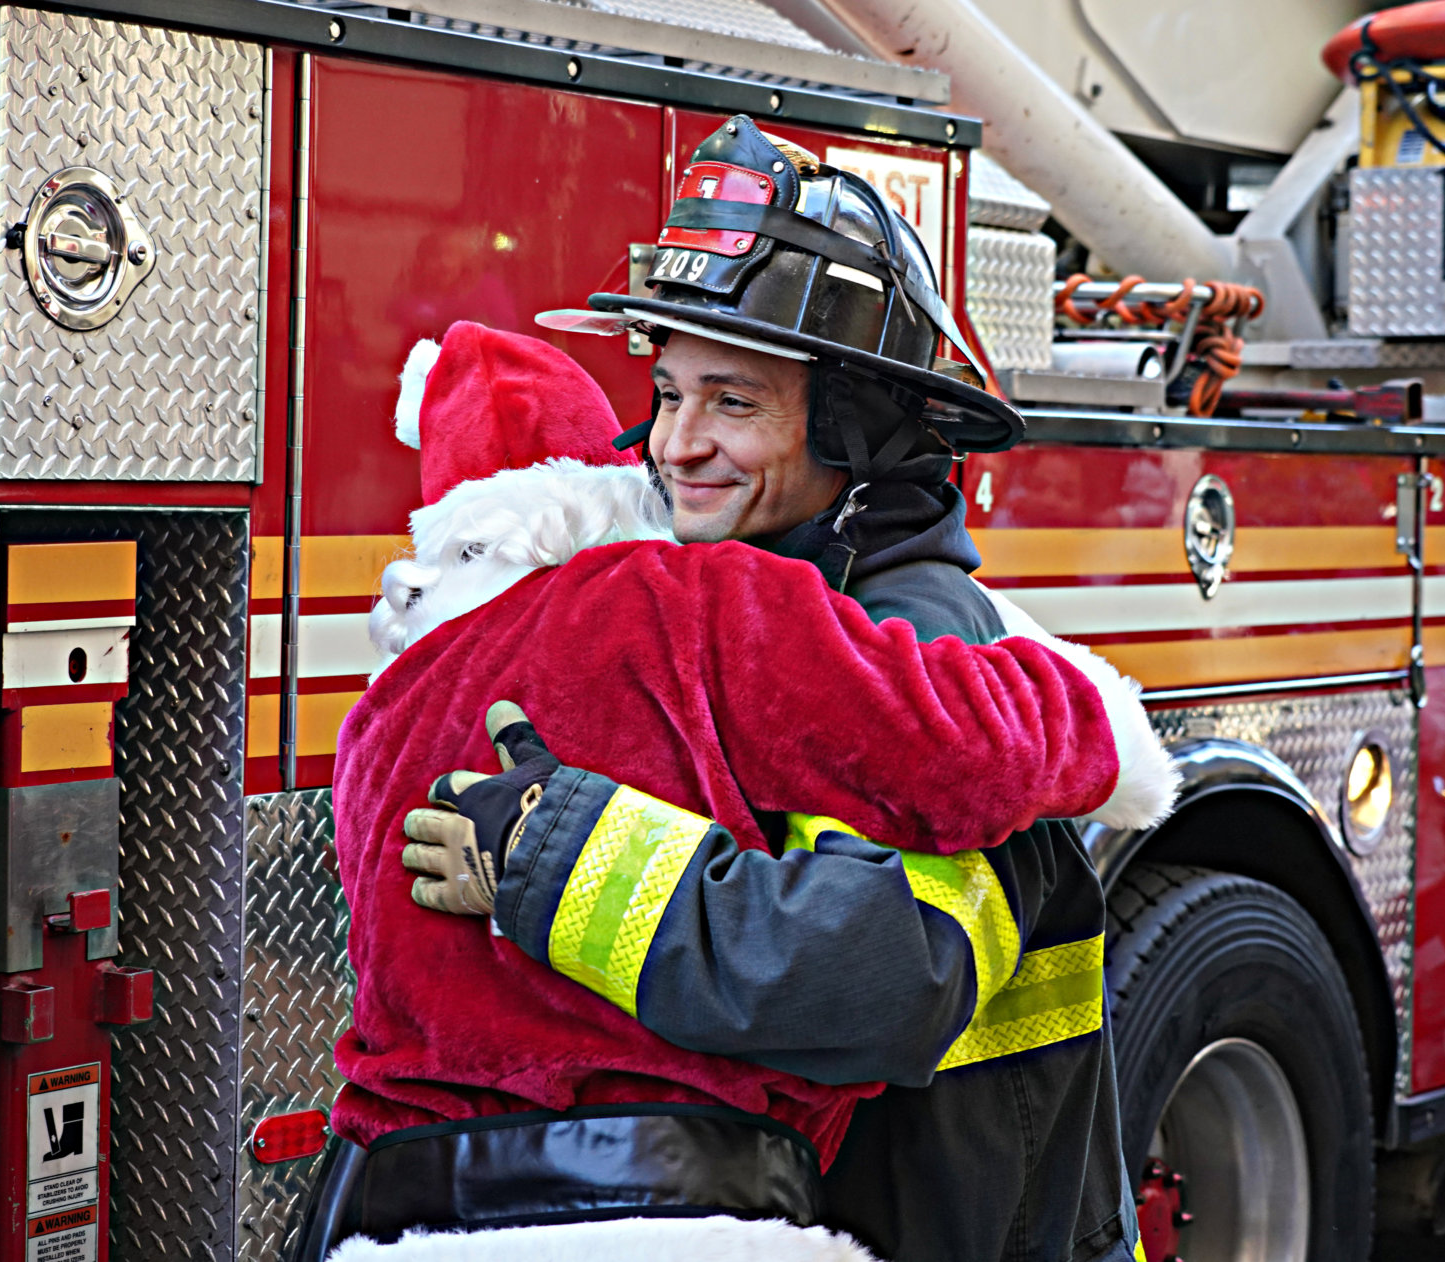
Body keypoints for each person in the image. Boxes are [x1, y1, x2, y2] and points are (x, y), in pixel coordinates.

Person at [405, 117, 1150, 1262]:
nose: (674, 442)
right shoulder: (714, 612)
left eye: (733, 402)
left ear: (853, 423)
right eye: (665, 392)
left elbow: (888, 971)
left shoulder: (916, 645)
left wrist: (556, 860)